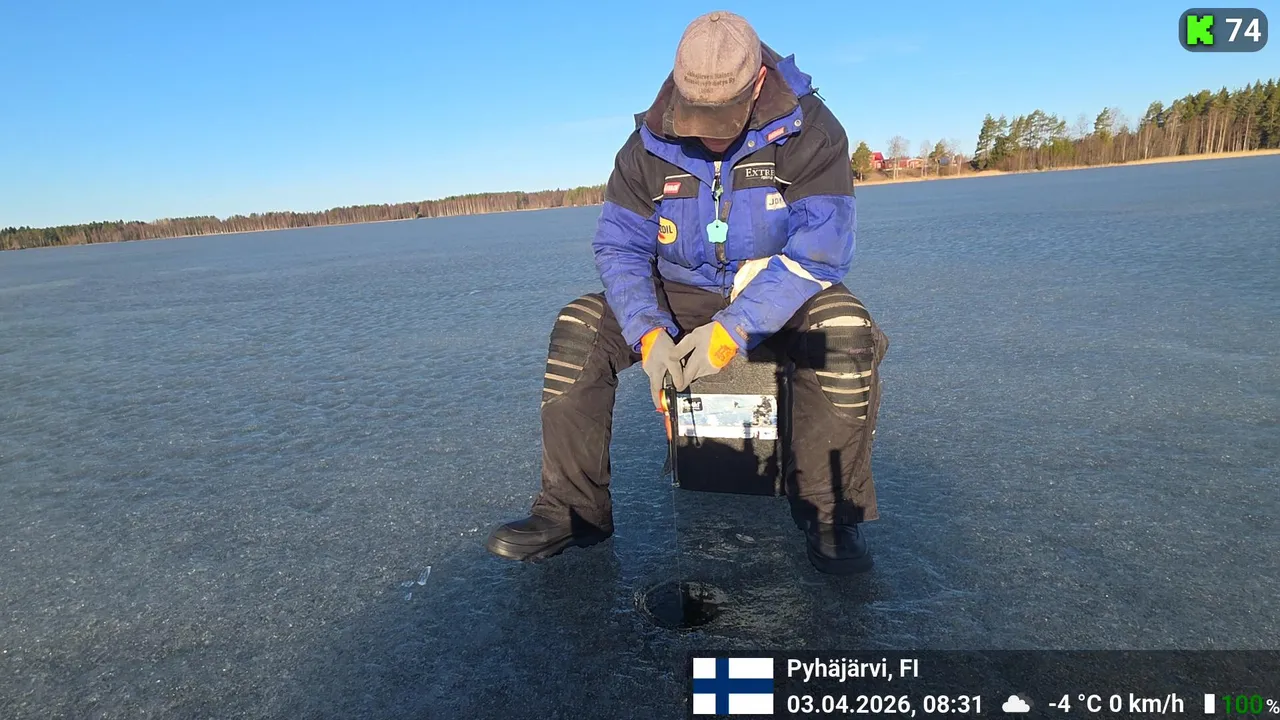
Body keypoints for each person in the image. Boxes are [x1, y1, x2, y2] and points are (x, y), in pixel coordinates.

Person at [485, 10, 889, 575]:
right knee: (580, 326)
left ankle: (829, 515)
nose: (708, 131)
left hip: (776, 288)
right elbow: (620, 247)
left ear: (757, 84)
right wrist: (648, 333)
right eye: (696, 113)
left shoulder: (811, 131)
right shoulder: (647, 144)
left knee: (842, 329)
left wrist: (733, 330)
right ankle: (571, 512)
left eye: (723, 115)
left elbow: (820, 251)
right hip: (680, 290)